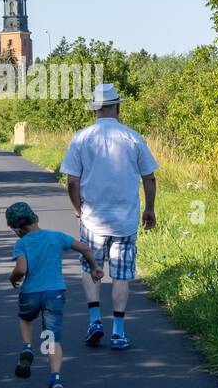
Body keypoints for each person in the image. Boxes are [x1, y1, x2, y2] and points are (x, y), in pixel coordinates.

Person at [59, 83, 158, 350]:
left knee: (90, 268)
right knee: (122, 274)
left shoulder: (81, 137)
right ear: (118, 106)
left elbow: (71, 181)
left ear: (95, 109)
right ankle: (119, 330)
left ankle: (94, 319)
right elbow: (149, 176)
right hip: (125, 220)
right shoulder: (133, 137)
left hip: (92, 219)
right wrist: (149, 209)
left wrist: (77, 207)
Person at [5, 201, 103, 388]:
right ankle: (55, 379)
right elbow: (84, 247)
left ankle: (27, 348)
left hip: (31, 294)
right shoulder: (56, 236)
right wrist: (94, 267)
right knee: (51, 338)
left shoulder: (22, 243)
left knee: (25, 318)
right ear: (36, 218)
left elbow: (21, 269)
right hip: (54, 294)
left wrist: (13, 278)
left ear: (16, 230)